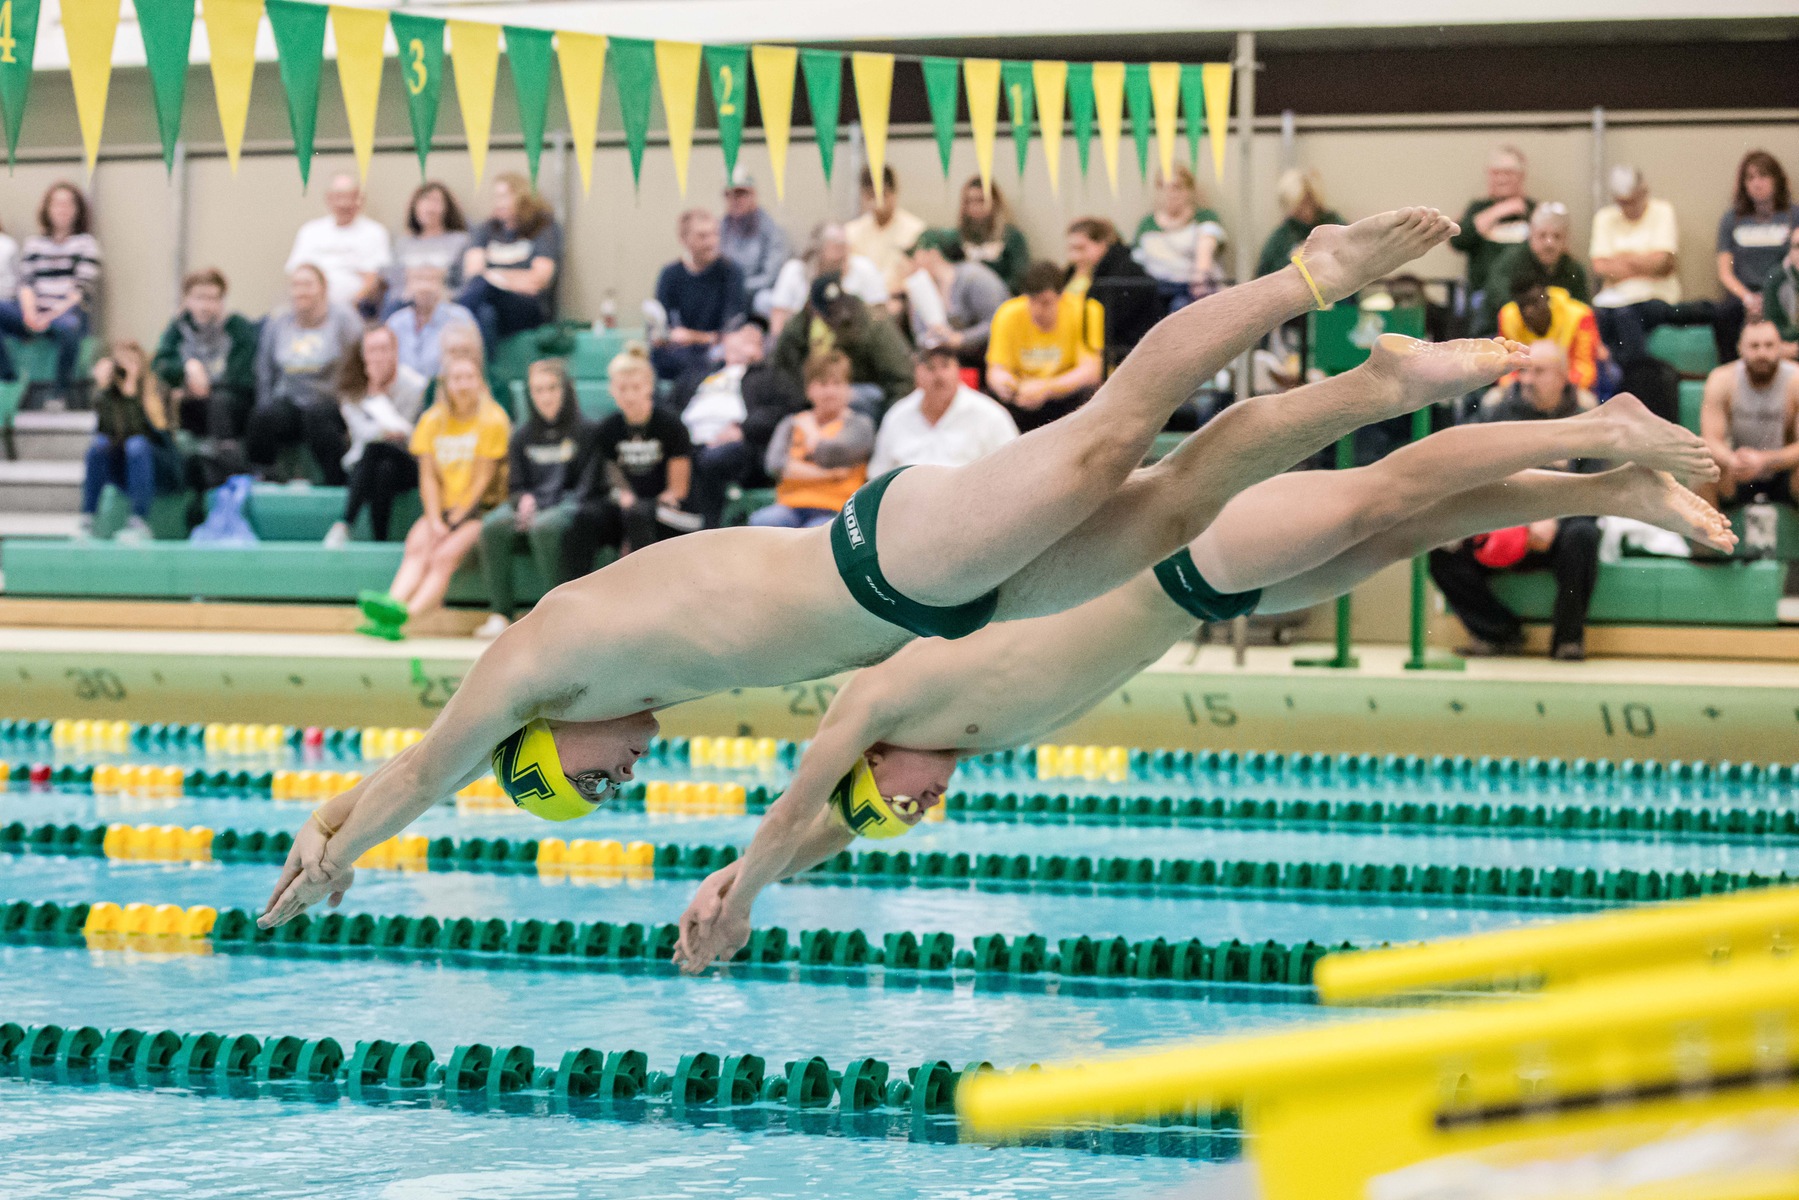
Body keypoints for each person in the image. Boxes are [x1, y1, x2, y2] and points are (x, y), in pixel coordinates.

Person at [252, 207, 1470, 926]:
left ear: (542, 747)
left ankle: (1309, 271)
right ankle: (1370, 384)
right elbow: (399, 779)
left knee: (1108, 436)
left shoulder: (536, 662)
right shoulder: (626, 685)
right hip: (936, 606)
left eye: (588, 787)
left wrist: (339, 857)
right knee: (1176, 506)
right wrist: (330, 824)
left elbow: (424, 768)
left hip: (883, 559)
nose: (621, 782)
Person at [675, 407, 1727, 968]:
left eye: (894, 797)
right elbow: (837, 824)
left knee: (1387, 491)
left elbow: (802, 801)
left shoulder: (888, 688)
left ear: (876, 760)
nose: (915, 804)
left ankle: (1598, 430)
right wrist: (808, 857)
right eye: (907, 815)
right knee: (1412, 524)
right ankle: (1613, 487)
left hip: (1191, 554)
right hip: (1207, 594)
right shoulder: (964, 738)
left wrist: (740, 891)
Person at [1429, 341, 1608, 662]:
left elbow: (1595, 489)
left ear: (1563, 376)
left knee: (1583, 534)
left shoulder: (1586, 420)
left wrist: (1555, 520)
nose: (1526, 379)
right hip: (1500, 524)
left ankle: (1568, 640)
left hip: (1556, 535)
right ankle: (1499, 632)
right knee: (1439, 548)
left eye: (1538, 372)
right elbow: (1471, 473)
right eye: (1523, 371)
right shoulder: (1496, 413)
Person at [354, 349, 512, 640]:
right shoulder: (432, 420)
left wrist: (453, 521)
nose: (463, 384)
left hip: (480, 511)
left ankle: (405, 618)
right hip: (442, 510)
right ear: (445, 384)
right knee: (417, 545)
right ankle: (391, 603)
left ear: (479, 381)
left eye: (469, 377)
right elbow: (427, 477)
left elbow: (482, 480)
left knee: (443, 556)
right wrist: (434, 519)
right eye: (456, 378)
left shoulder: (493, 419)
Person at [475, 359, 598, 640]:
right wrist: (524, 501)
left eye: (552, 388)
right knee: (493, 525)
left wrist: (545, 504)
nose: (545, 396)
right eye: (538, 390)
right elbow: (516, 486)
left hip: (569, 505)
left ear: (566, 390)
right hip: (534, 504)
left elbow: (587, 488)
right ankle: (500, 612)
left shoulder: (587, 431)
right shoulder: (521, 436)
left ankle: (559, 614)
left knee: (544, 526)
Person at [561, 345, 694, 572]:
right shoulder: (608, 429)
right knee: (584, 518)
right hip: (628, 508)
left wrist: (643, 505)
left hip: (669, 510)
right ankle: (571, 594)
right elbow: (614, 479)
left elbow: (678, 490)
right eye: (622, 388)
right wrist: (624, 495)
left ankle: (644, 597)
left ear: (649, 387)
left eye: (636, 387)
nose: (629, 395)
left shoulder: (671, 425)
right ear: (612, 390)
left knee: (640, 513)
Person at [674, 318, 807, 528]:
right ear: (725, 340)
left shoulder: (770, 375)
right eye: (743, 332)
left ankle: (705, 528)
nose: (751, 335)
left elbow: (790, 408)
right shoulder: (701, 374)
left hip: (741, 447)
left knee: (713, 458)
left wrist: (742, 429)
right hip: (690, 440)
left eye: (757, 337)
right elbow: (671, 407)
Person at [246, 264, 365, 484]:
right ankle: (263, 479)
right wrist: (265, 403)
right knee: (263, 416)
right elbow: (265, 372)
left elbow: (360, 365)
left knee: (317, 418)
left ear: (323, 288)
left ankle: (336, 481)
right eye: (296, 285)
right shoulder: (279, 323)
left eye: (308, 284)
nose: (301, 291)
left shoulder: (344, 320)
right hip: (291, 404)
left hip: (332, 405)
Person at [1590, 165, 1718, 369]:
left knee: (1625, 316)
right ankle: (1609, 382)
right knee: (1599, 318)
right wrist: (1644, 262)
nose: (1627, 208)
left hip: (1655, 299)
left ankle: (1635, 377)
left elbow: (1661, 262)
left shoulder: (1662, 211)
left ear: (1643, 191)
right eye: (1621, 203)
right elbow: (1601, 267)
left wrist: (1622, 259)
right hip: (1611, 301)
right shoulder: (1605, 217)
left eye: (1632, 201)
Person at [322, 326, 428, 548]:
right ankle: (379, 542)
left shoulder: (415, 386)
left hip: (407, 462)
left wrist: (380, 405)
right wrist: (376, 400)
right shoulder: (353, 391)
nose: (378, 357)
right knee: (382, 465)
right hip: (369, 465)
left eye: (383, 349)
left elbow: (410, 435)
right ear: (363, 356)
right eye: (371, 350)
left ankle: (345, 523)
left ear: (395, 351)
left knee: (379, 450)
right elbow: (365, 433)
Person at [749, 351, 874, 529]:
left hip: (835, 508)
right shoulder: (790, 423)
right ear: (809, 389)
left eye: (837, 384)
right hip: (790, 505)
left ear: (848, 389)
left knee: (816, 533)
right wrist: (831, 474)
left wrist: (809, 433)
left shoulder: (860, 425)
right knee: (764, 521)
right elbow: (775, 464)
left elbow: (832, 453)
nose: (830, 391)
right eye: (822, 384)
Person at [0, 182, 102, 397]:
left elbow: (80, 292)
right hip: (33, 312)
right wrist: (30, 313)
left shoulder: (86, 244)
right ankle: (7, 378)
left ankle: (59, 394)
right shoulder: (34, 244)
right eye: (57, 204)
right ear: (47, 208)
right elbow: (25, 284)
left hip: (65, 313)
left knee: (70, 325)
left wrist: (48, 315)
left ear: (78, 210)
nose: (62, 210)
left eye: (68, 205)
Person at [78, 341, 183, 542]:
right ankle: (87, 520)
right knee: (98, 446)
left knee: (136, 445)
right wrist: (103, 391)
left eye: (131, 362)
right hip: (126, 468)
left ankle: (139, 522)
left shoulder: (157, 390)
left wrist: (132, 394)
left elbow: (142, 433)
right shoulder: (110, 394)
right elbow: (106, 432)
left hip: (160, 468)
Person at [771, 274, 914, 417]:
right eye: (826, 313)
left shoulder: (872, 324)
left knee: (866, 395)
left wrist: (889, 420)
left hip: (860, 399)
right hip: (810, 396)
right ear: (811, 308)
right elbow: (780, 370)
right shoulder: (797, 329)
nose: (832, 317)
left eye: (836, 309)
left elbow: (900, 377)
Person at [985, 261, 1104, 431]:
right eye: (1032, 300)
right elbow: (996, 369)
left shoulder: (1086, 311)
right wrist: (1005, 384)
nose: (1037, 310)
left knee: (1089, 395)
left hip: (1067, 400)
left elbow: (1091, 372)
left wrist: (1047, 388)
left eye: (1046, 302)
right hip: (1021, 398)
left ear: (1062, 296)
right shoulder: (1007, 313)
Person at [1697, 320, 1799, 512]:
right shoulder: (1722, 379)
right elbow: (1710, 438)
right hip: (1737, 473)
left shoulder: (1795, 381)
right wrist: (1731, 460)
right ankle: (1708, 541)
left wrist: (1765, 461)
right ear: (1740, 349)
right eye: (1754, 346)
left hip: (1783, 471)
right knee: (1702, 470)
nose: (1762, 353)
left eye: (1769, 346)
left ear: (1781, 348)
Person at [869, 343, 1018, 475]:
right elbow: (878, 475)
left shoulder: (990, 415)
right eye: (930, 367)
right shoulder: (897, 416)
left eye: (945, 365)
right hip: (909, 501)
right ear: (916, 373)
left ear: (958, 369)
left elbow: (1012, 471)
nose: (939, 376)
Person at [151, 268, 259, 443]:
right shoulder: (178, 327)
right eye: (199, 298)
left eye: (212, 298)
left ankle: (221, 459)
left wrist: (207, 387)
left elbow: (244, 378)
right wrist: (186, 369)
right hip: (189, 400)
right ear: (187, 300)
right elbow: (160, 364)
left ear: (222, 301)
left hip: (229, 405)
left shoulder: (238, 327)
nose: (205, 306)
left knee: (220, 402)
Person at [458, 173, 562, 354]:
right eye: (496, 197)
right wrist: (515, 279)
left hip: (528, 309)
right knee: (485, 314)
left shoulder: (542, 227)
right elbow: (472, 273)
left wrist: (493, 277)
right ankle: (489, 375)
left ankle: (452, 319)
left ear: (522, 197)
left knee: (484, 287)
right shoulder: (487, 229)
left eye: (504, 196)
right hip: (492, 305)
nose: (499, 202)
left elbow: (539, 280)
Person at [1716, 152, 1799, 357]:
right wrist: (1747, 298)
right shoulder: (1732, 219)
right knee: (1723, 314)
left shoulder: (1793, 215)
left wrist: (1769, 297)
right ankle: (1730, 371)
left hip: (1785, 289)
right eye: (1750, 178)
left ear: (1776, 180)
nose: (1757, 183)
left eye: (1763, 176)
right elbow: (1724, 272)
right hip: (1744, 294)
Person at [650, 209, 747, 381]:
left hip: (717, 351)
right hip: (680, 352)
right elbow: (661, 328)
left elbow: (732, 330)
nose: (711, 242)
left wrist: (694, 337)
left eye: (715, 235)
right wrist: (665, 337)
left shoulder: (731, 273)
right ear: (684, 239)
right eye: (702, 236)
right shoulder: (670, 275)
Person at [285, 173, 391, 316]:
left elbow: (374, 278)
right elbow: (297, 272)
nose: (344, 204)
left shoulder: (375, 232)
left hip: (357, 308)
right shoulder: (310, 231)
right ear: (328, 199)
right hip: (312, 306)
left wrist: (350, 305)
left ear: (361, 199)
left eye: (351, 197)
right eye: (339, 197)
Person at [1478, 202, 1591, 336]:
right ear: (1531, 236)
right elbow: (1498, 300)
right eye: (1542, 235)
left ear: (1566, 240)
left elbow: (1583, 312)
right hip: (1509, 332)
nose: (1549, 243)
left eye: (1557, 236)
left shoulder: (1574, 270)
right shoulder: (1511, 262)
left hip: (1558, 339)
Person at [901, 229, 1009, 364]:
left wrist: (961, 338)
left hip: (985, 359)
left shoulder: (974, 278)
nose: (912, 262)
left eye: (915, 255)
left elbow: (998, 320)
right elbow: (919, 334)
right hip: (945, 360)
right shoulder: (920, 289)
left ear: (932, 253)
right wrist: (931, 338)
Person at [1450, 146, 1535, 314]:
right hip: (1482, 297)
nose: (1502, 179)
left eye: (1508, 173)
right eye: (1496, 173)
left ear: (1521, 176)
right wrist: (1498, 211)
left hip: (1524, 297)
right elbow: (1458, 241)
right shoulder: (1478, 208)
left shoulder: (1534, 211)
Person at [1132, 163, 1227, 312]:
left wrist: (1200, 277)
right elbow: (1137, 262)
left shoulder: (1204, 218)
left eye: (1177, 187)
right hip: (1157, 291)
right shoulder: (1147, 224)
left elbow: (1206, 249)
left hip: (1193, 290)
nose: (1170, 193)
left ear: (1189, 190)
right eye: (1164, 187)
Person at [1064, 216, 1158, 364]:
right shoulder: (1072, 273)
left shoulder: (1126, 275)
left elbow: (1109, 324)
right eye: (1071, 249)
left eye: (1081, 248)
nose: (1074, 257)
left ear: (1102, 244)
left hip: (1123, 357)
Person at [766, 223, 888, 336]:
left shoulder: (864, 268)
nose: (843, 251)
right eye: (836, 246)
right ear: (819, 249)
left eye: (845, 245)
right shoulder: (794, 271)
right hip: (803, 342)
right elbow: (778, 316)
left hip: (854, 340)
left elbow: (880, 312)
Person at [1497, 280, 1600, 391]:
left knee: (1587, 402)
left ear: (1547, 300)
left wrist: (1555, 386)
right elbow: (1505, 370)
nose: (1529, 311)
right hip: (1526, 386)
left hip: (1569, 388)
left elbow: (1585, 368)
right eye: (1523, 306)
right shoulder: (1507, 317)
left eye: (1534, 303)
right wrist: (1525, 384)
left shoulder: (1580, 315)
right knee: (1492, 401)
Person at [385, 181, 470, 311]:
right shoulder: (403, 243)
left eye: (436, 202)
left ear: (447, 209)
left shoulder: (460, 241)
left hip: (444, 303)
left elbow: (465, 286)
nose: (429, 208)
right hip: (406, 303)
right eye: (424, 201)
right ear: (415, 207)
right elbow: (394, 283)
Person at [718, 168, 790, 318]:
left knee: (764, 301)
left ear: (753, 195)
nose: (735, 199)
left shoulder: (770, 229)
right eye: (729, 194)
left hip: (757, 293)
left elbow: (770, 276)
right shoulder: (720, 228)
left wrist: (739, 286)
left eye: (741, 194)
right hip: (725, 293)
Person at [385, 265, 476, 381]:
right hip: (404, 392)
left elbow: (471, 362)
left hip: (446, 389)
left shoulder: (459, 318)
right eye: (419, 279)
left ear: (442, 283)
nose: (425, 287)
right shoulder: (396, 322)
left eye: (431, 279)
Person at [845, 166, 926, 294]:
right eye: (871, 195)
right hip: (862, 300)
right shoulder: (851, 232)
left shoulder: (915, 230)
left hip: (901, 298)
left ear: (894, 194)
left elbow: (917, 275)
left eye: (883, 194)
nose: (878, 202)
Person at [1256, 169, 1344, 279]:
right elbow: (1264, 278)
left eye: (1309, 201)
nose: (1306, 210)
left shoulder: (1334, 226)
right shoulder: (1280, 239)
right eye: (1300, 204)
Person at [955, 178, 1029, 293]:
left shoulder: (1010, 237)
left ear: (994, 202)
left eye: (981, 201)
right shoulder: (958, 238)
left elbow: (1021, 278)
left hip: (1001, 298)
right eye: (969, 201)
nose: (975, 207)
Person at [1765, 225, 1799, 356]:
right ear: (1789, 251)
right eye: (1797, 247)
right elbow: (1772, 324)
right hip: (1787, 349)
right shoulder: (1776, 278)